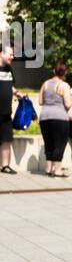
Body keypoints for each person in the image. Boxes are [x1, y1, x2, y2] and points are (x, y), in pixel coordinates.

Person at [38, 62, 72, 177]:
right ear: (65, 73)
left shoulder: (45, 84)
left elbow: (40, 102)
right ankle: (57, 170)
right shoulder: (65, 86)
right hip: (59, 117)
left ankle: (48, 169)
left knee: (48, 143)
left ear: (54, 71)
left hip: (44, 116)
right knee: (59, 144)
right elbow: (68, 104)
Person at [0, 41, 22, 174]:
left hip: (6, 111)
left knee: (7, 139)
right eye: (10, 54)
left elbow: (10, 85)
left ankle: (5, 166)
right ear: (1, 54)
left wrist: (17, 93)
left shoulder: (9, 70)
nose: (12, 57)